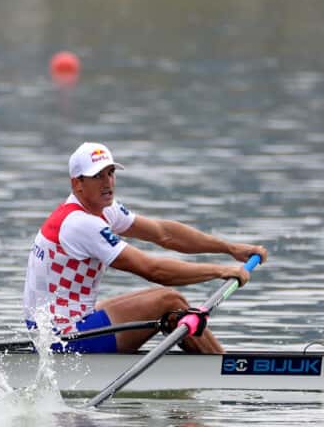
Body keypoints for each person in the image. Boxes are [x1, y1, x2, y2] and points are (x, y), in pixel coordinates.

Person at [23, 142, 267, 354]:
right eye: (98, 176)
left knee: (172, 309)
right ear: (77, 184)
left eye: (110, 173)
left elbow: (165, 234)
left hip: (63, 326)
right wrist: (220, 271)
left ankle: (208, 363)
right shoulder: (80, 223)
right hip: (62, 341)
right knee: (169, 301)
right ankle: (224, 368)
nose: (108, 182)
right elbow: (154, 271)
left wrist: (230, 248)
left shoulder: (103, 209)